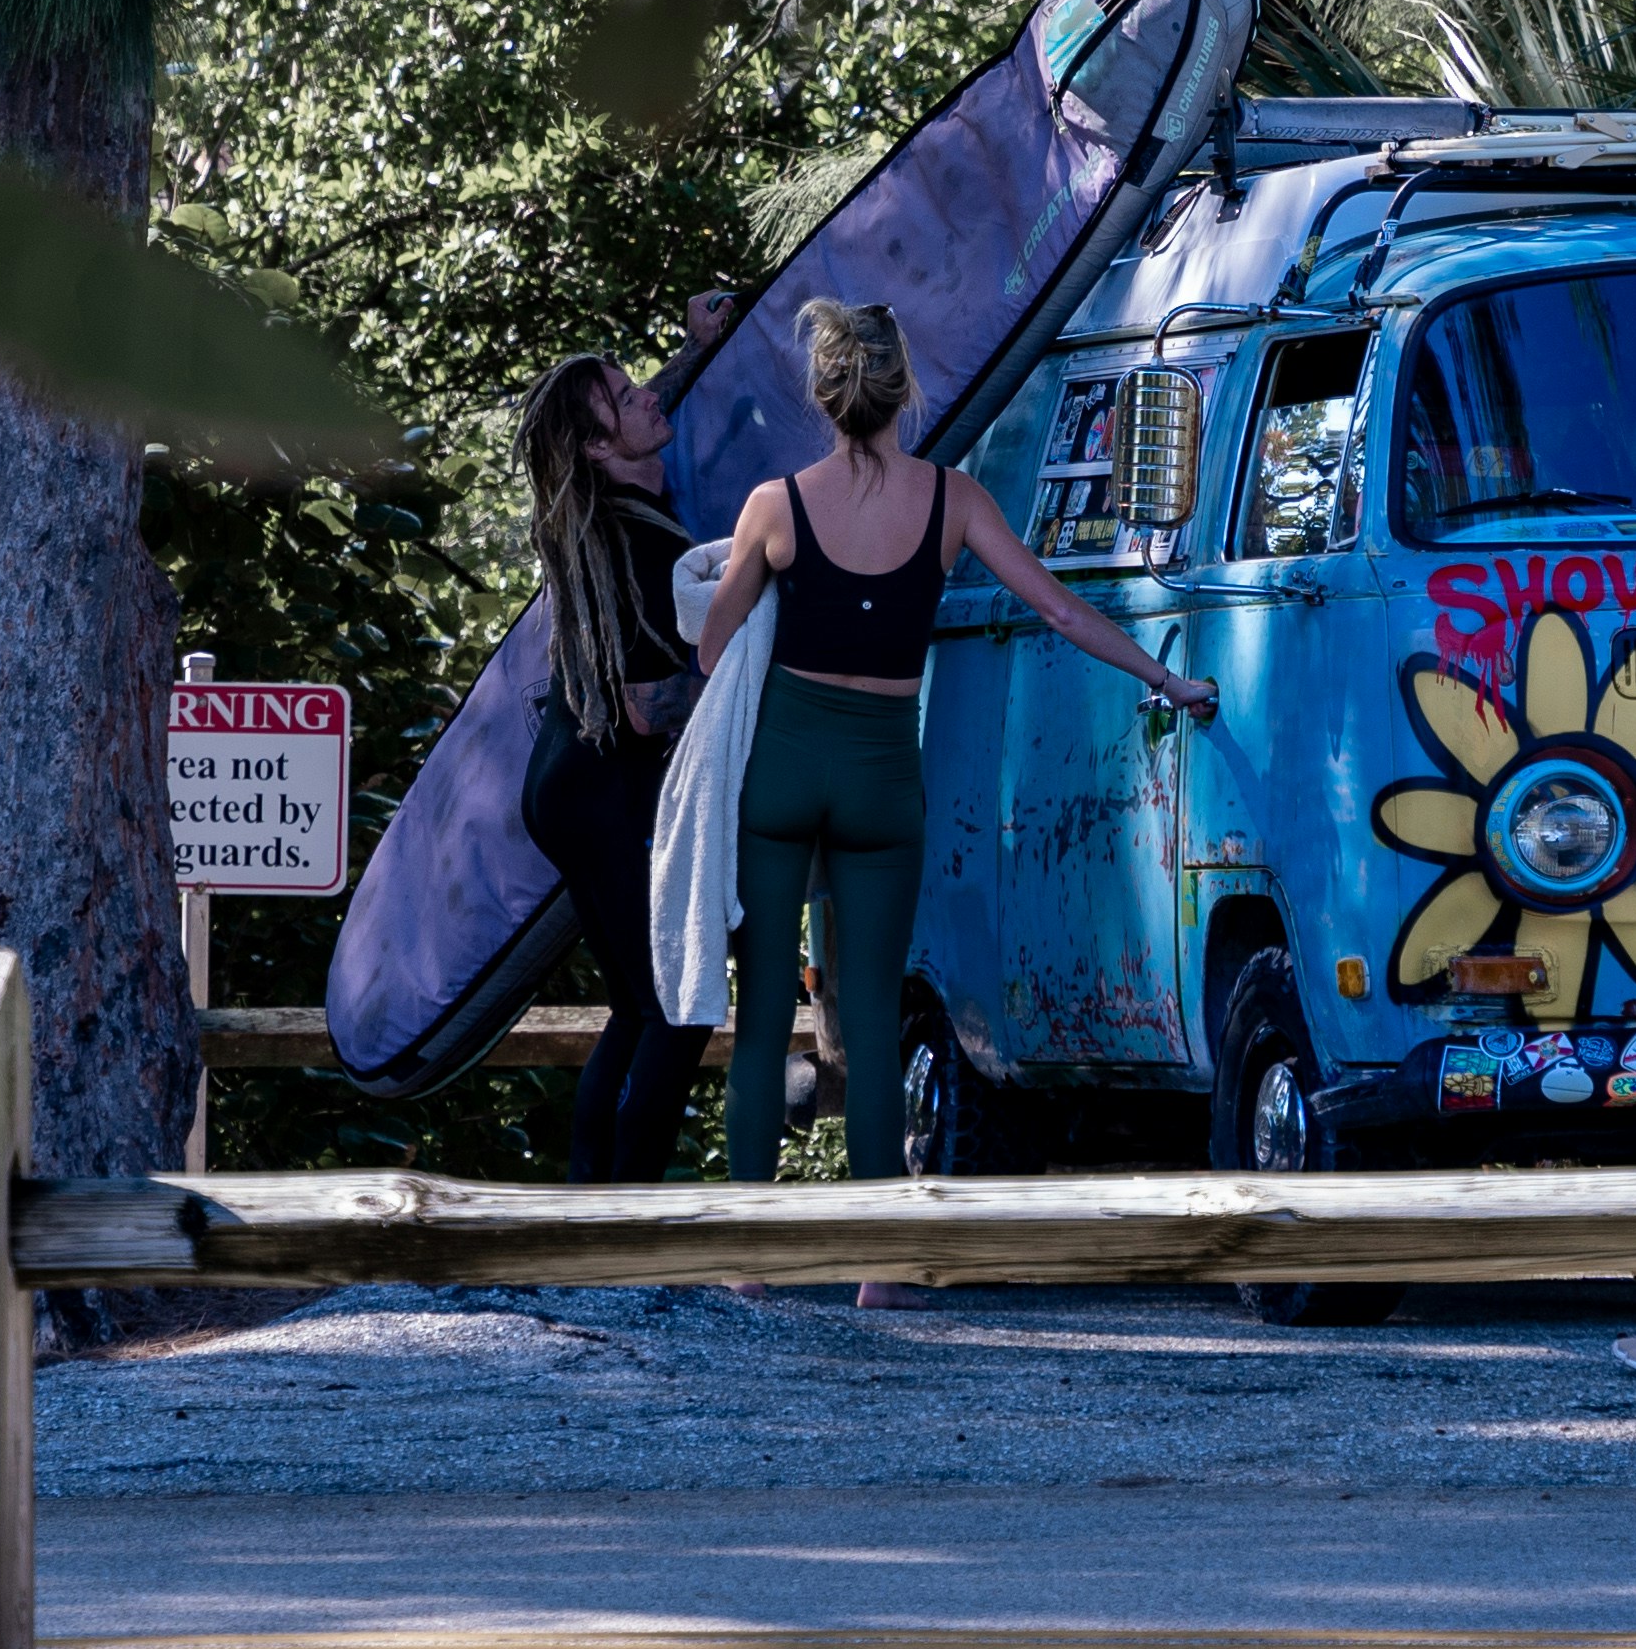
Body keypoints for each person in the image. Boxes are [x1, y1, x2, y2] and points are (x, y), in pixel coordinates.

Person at [694, 298, 1220, 1238]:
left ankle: (741, 1257)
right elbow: (1060, 612)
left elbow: (712, 650)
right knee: (874, 1020)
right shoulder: (953, 500)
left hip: (784, 765)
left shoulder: (773, 507)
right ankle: (881, 1264)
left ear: (823, 394)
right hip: (883, 776)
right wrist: (1168, 678)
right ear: (907, 393)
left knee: (766, 1012)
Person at [515, 293, 734, 1185]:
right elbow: (649, 708)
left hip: (572, 784)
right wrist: (753, 673)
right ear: (601, 449)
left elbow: (645, 413)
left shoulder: (616, 502)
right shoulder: (637, 547)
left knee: (638, 1006)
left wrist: (696, 351)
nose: (648, 393)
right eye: (624, 396)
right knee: (673, 1008)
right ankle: (630, 1223)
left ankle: (590, 1211)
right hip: (602, 795)